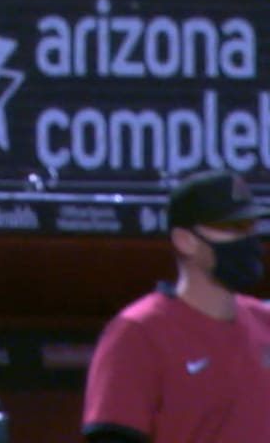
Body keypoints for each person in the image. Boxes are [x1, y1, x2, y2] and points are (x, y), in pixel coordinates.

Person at [82, 169, 270, 443]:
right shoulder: (137, 334)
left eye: (250, 227)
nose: (248, 240)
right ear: (185, 240)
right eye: (231, 228)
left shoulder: (265, 322)